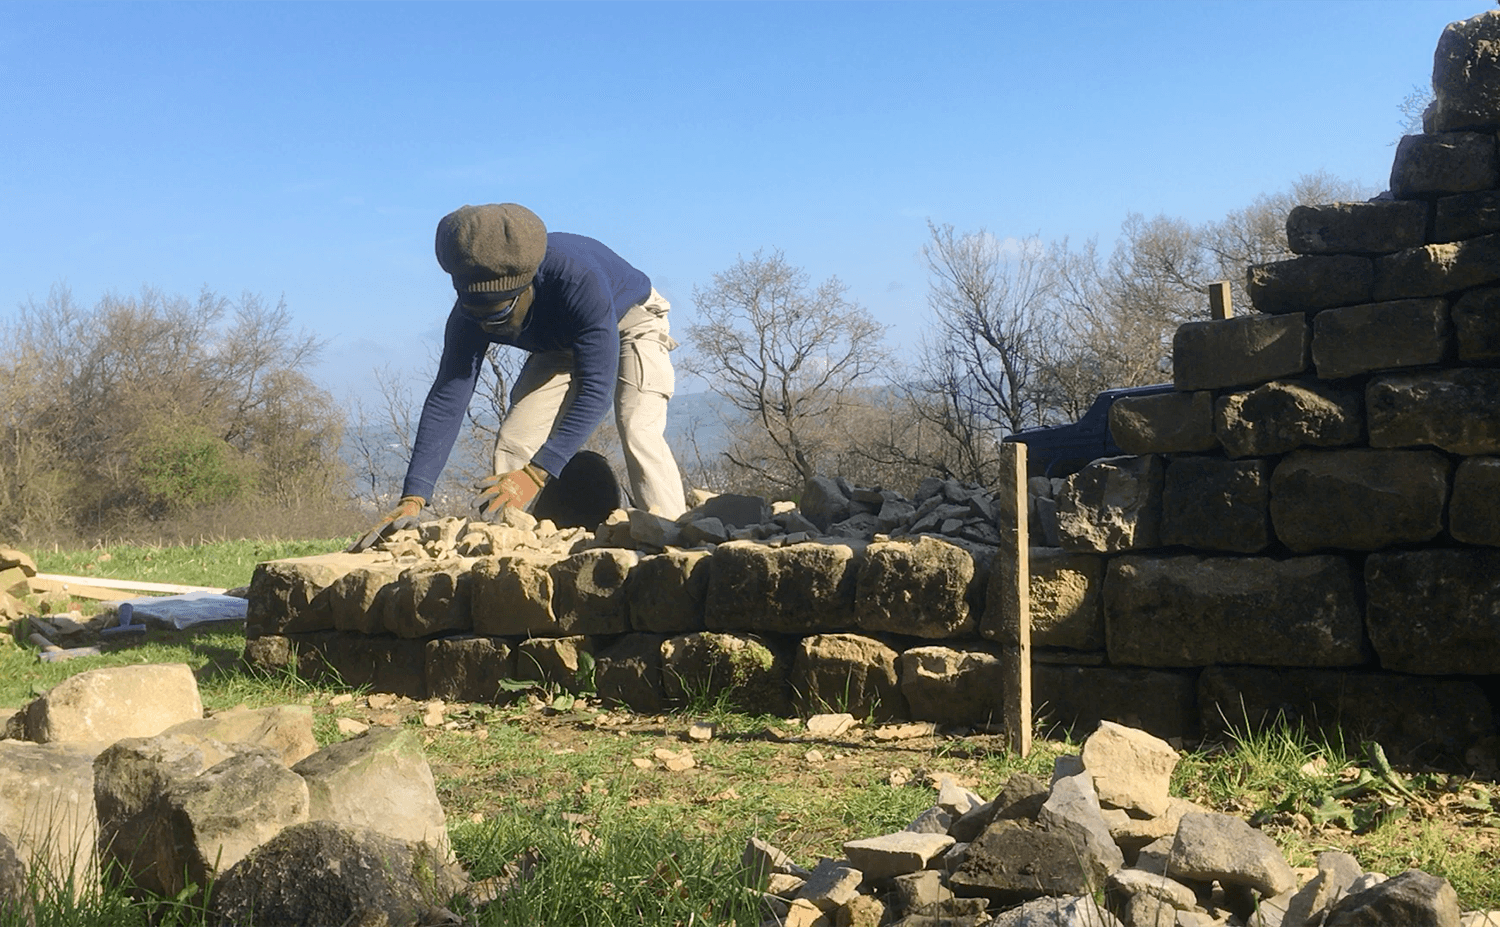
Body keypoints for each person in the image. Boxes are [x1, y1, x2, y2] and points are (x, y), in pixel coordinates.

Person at [350, 203, 687, 552]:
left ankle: (675, 539)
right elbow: (449, 397)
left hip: (630, 321)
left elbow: (596, 390)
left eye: (498, 317)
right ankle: (507, 543)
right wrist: (414, 496)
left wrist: (537, 473)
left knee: (637, 427)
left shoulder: (576, 280)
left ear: (525, 289)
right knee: (515, 440)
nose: (487, 327)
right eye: (478, 317)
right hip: (559, 344)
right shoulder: (472, 309)